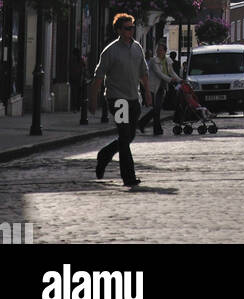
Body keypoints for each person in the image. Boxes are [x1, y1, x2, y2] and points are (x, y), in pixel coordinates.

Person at [90, 13, 151, 188]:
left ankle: (104, 155)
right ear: (118, 30)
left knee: (129, 136)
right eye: (127, 28)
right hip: (118, 100)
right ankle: (128, 177)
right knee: (125, 136)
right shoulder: (110, 51)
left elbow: (144, 73)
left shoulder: (137, 48)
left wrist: (147, 93)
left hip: (134, 99)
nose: (130, 31)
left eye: (132, 28)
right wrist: (93, 100)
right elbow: (98, 77)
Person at [141, 40, 176, 135]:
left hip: (162, 87)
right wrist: (170, 80)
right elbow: (159, 73)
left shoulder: (168, 61)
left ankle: (143, 124)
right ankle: (156, 129)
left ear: (165, 51)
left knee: (157, 109)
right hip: (152, 87)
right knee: (156, 109)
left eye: (161, 50)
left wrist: (180, 79)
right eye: (158, 50)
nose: (158, 52)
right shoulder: (153, 61)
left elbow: (172, 72)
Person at [69, 48, 86, 112]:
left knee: (75, 93)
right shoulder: (81, 60)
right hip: (79, 79)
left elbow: (71, 69)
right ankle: (77, 107)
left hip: (75, 78)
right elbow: (84, 68)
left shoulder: (73, 60)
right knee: (78, 94)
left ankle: (75, 107)